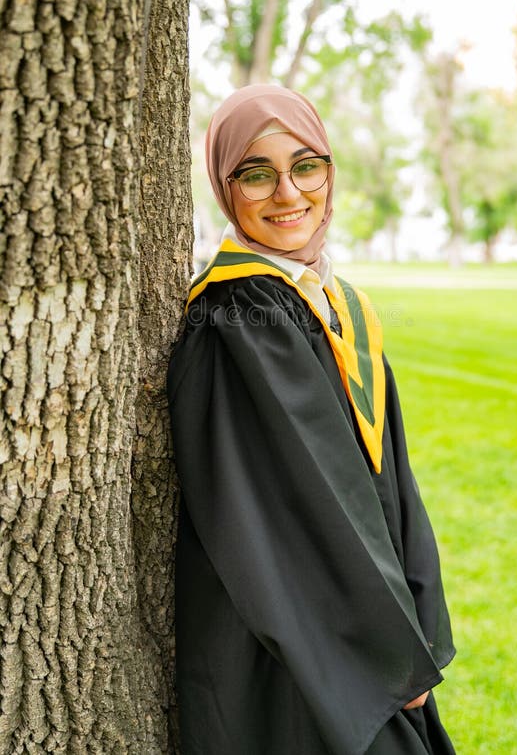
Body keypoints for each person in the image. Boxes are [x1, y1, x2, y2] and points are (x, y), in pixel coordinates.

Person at [167, 84, 456, 755]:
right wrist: (388, 652)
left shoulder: (331, 300)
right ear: (223, 186)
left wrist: (420, 619)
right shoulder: (237, 315)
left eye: (306, 166)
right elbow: (306, 498)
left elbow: (388, 476)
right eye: (255, 173)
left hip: (366, 618)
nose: (287, 195)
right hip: (296, 635)